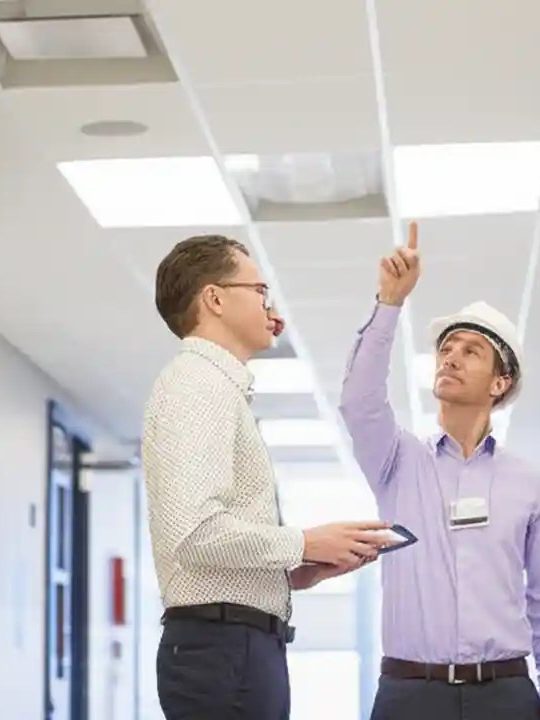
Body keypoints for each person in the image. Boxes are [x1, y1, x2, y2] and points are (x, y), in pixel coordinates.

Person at [143, 234, 388, 720]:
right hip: (223, 652)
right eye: (259, 291)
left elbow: (209, 547)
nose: (269, 306)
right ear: (215, 299)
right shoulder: (197, 385)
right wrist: (304, 543)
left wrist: (294, 571)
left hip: (235, 647)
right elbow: (194, 535)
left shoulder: (216, 387)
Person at [339, 223, 540, 720]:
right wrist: (390, 302)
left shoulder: (530, 484)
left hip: (505, 693)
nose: (450, 356)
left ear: (501, 381)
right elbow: (359, 402)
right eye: (446, 349)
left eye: (471, 350)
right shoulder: (397, 462)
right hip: (410, 693)